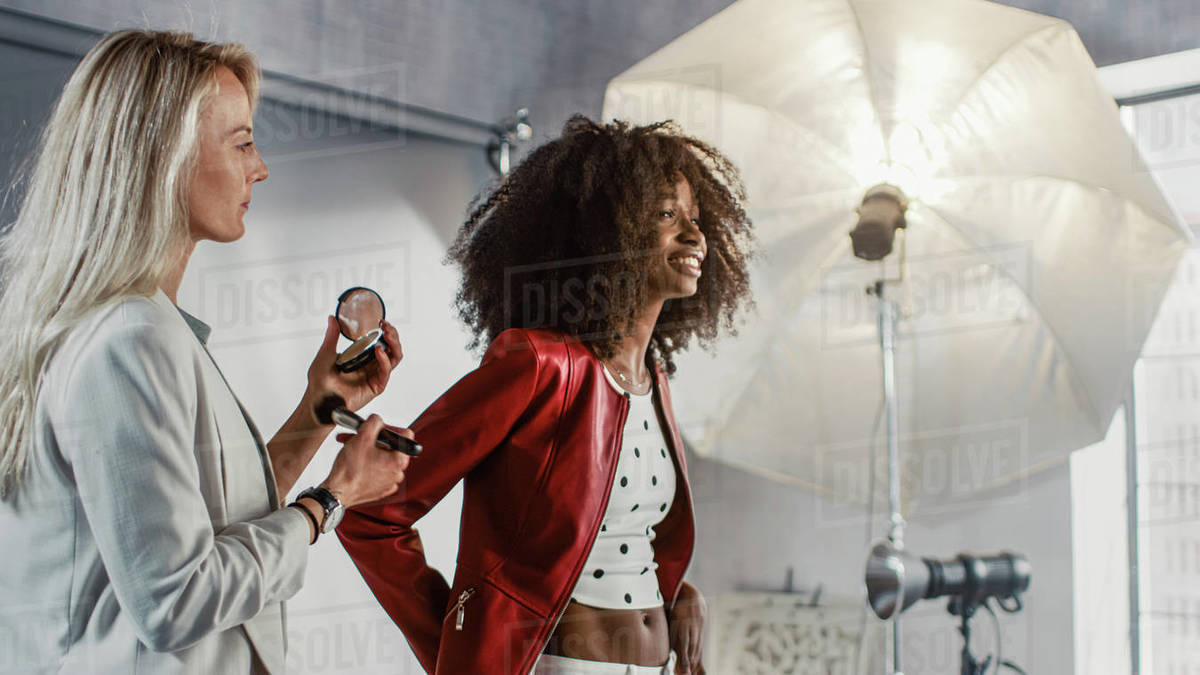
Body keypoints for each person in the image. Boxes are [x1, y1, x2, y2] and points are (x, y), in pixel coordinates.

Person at [0, 30, 411, 674]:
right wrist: (333, 498)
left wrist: (318, 410)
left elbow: (210, 526)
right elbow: (176, 600)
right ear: (162, 156)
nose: (260, 168)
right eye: (242, 143)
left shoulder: (130, 326)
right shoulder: (127, 340)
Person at [338, 116, 754, 675]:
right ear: (607, 231)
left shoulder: (654, 380)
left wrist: (677, 596)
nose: (694, 236)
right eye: (666, 215)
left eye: (696, 219)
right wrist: (466, 653)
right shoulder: (540, 366)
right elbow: (373, 514)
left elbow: (612, 537)